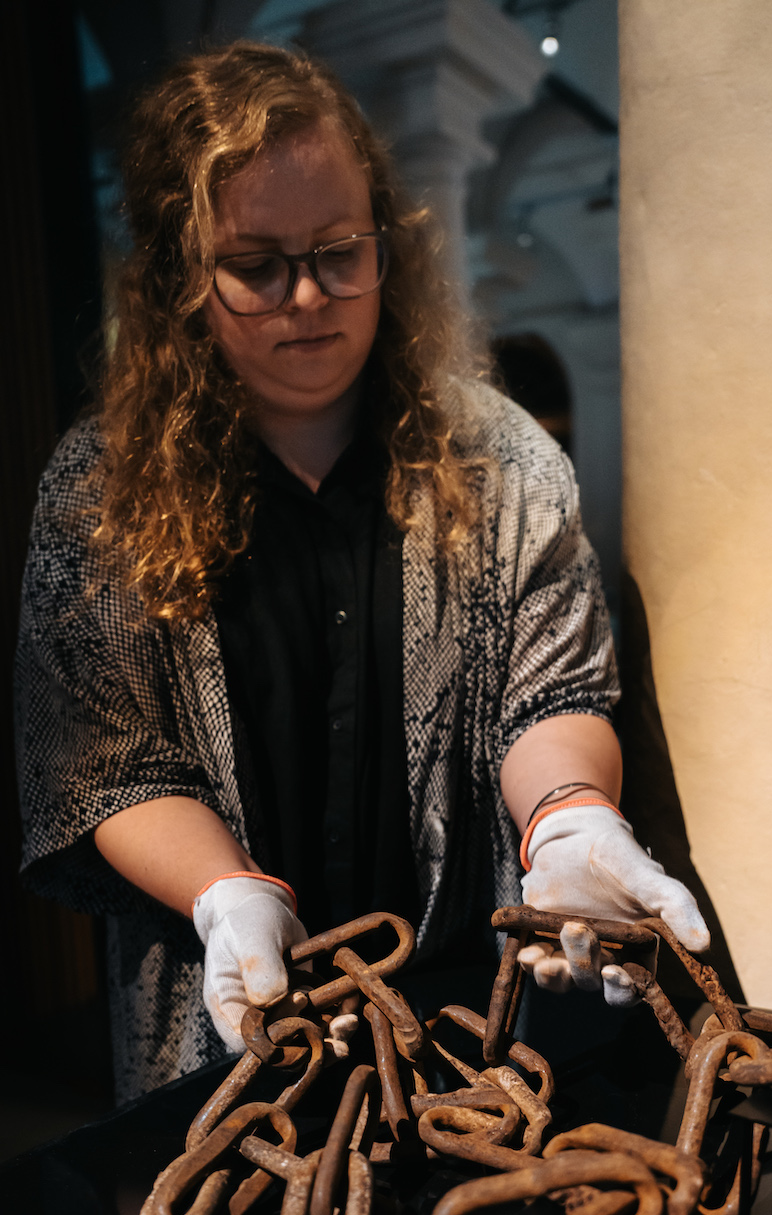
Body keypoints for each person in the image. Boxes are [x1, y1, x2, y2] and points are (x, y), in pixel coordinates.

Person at [15, 41, 709, 1103]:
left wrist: (569, 817)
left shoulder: (503, 458)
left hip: (468, 1027)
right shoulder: (100, 488)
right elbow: (108, 763)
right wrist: (222, 893)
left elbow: (550, 691)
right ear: (180, 274)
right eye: (255, 263)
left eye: (340, 251)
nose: (307, 295)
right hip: (227, 1036)